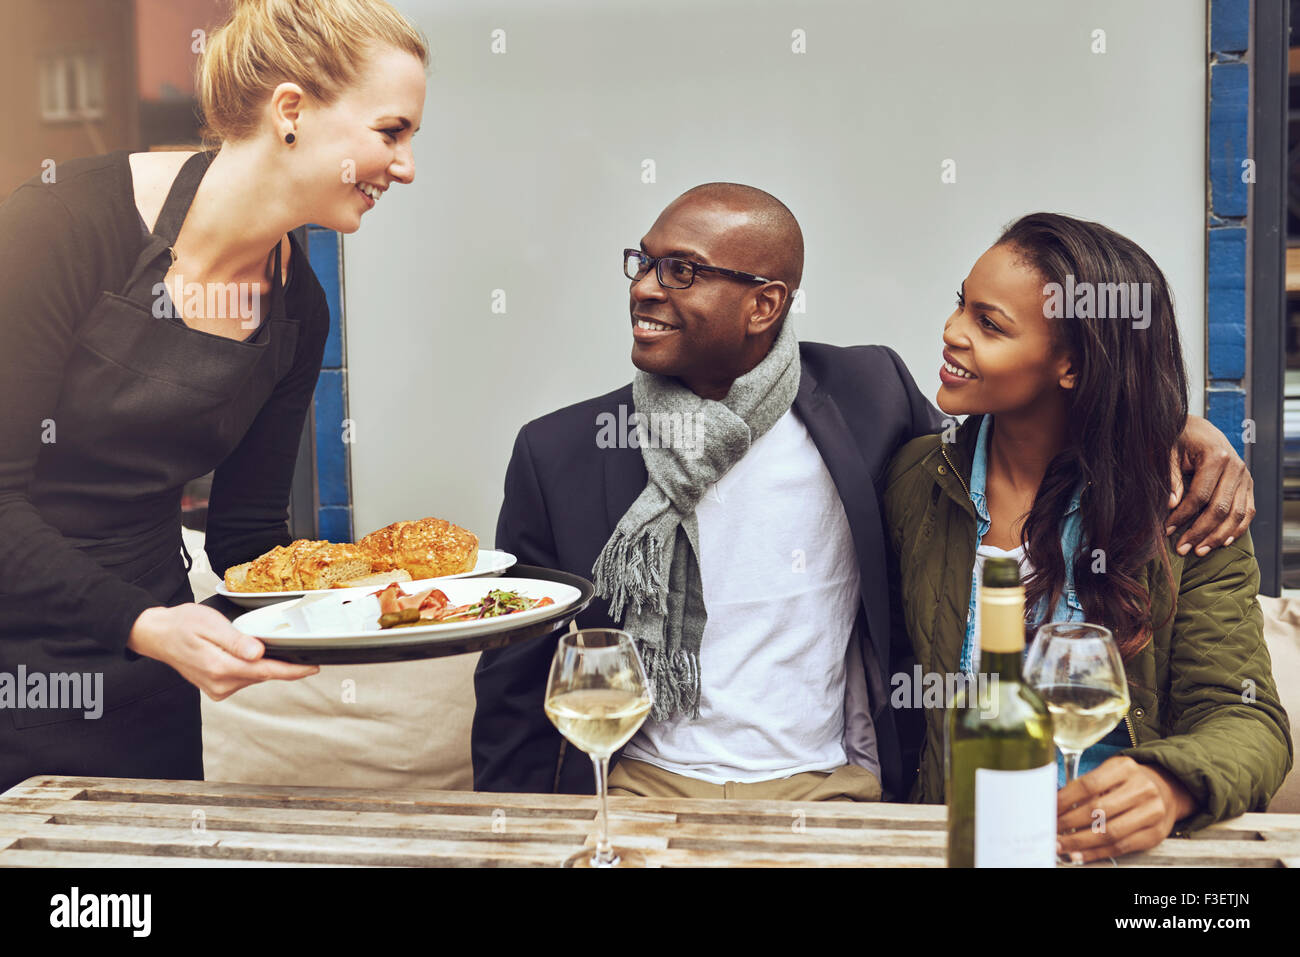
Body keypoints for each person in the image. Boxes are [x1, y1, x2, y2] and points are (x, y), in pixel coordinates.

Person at [471, 185, 1253, 801]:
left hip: (833, 793)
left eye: (682, 270)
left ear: (765, 303)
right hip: (643, 788)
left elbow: (1068, 416)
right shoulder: (559, 451)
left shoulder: (870, 399)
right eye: (642, 262)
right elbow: (515, 681)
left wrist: (1173, 429)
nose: (645, 287)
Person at [0, 0, 427, 793]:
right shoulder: (60, 224)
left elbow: (246, 536)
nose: (405, 167)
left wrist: (386, 589)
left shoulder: (299, 306)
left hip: (150, 680)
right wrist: (142, 624)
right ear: (291, 111)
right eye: (391, 131)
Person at [884, 212, 1292, 861]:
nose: (952, 332)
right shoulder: (916, 481)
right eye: (961, 304)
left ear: (1070, 366)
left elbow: (1248, 718)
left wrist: (1170, 782)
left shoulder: (1183, 506)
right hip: (957, 843)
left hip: (1109, 851)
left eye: (989, 324)